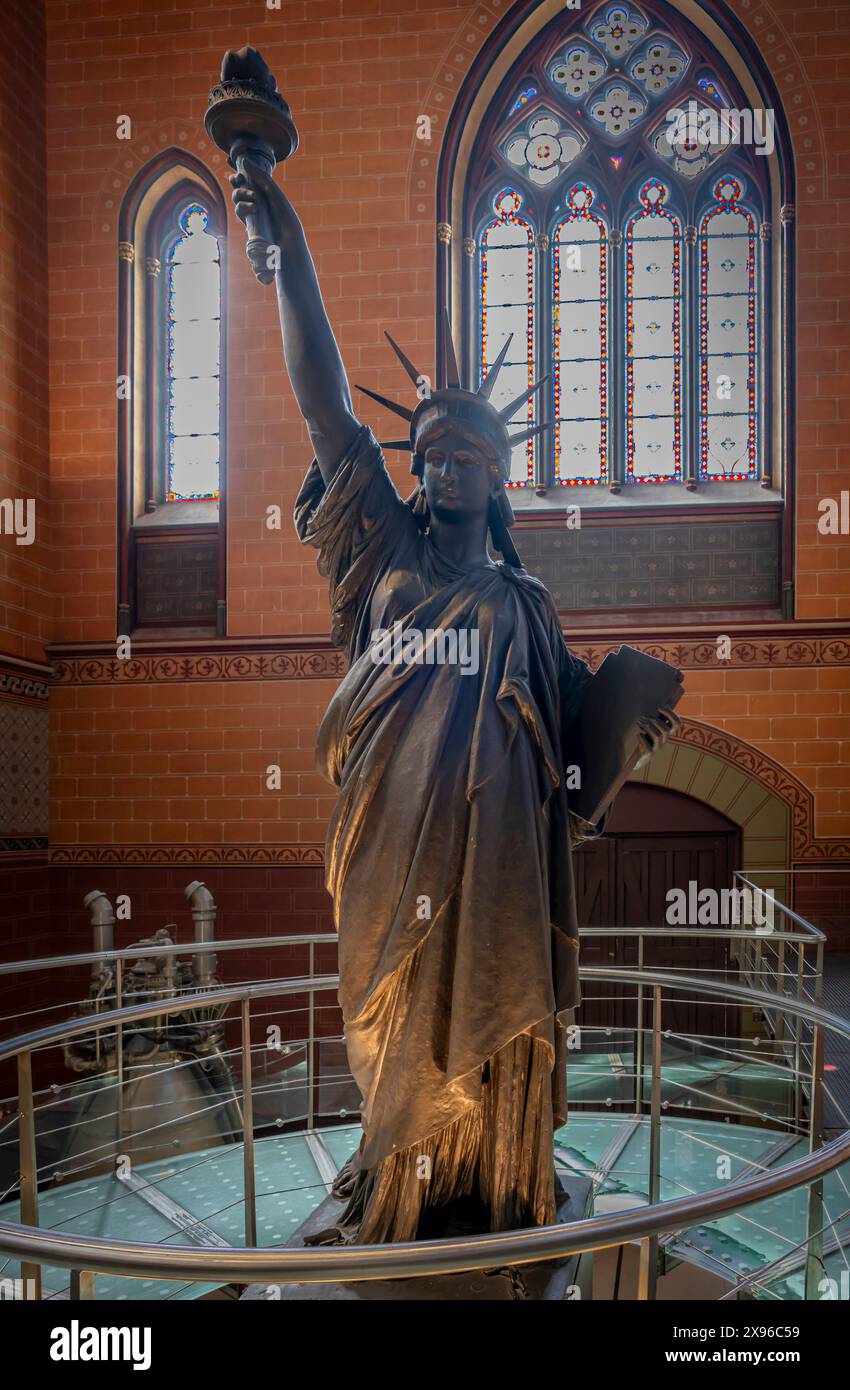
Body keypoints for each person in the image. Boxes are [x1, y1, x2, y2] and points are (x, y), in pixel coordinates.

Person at [231, 164, 678, 1245]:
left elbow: (575, 747)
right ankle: (403, 1184)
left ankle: (499, 1179)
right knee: (393, 1028)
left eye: (468, 455)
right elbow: (325, 403)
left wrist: (622, 734)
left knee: (498, 1025)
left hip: (505, 867)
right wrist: (283, 235)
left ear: (499, 473)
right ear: (416, 472)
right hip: (393, 846)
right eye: (429, 456)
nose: (445, 470)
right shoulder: (380, 549)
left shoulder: (526, 598)